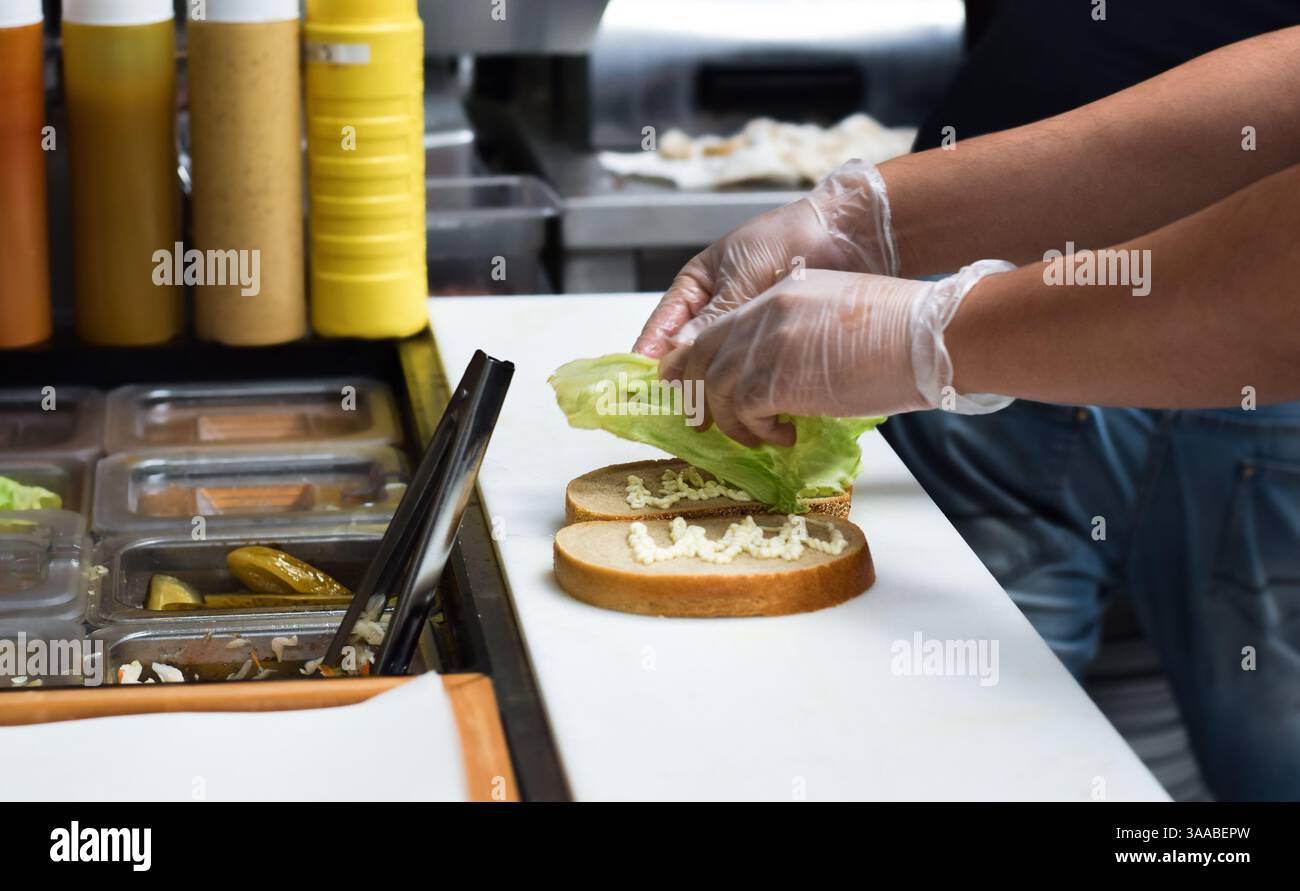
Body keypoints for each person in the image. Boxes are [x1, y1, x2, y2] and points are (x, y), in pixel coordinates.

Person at [633, 24, 1300, 800]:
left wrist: (925, 333)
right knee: (967, 751)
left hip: (1243, 387)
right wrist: (867, 222)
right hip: (1038, 381)